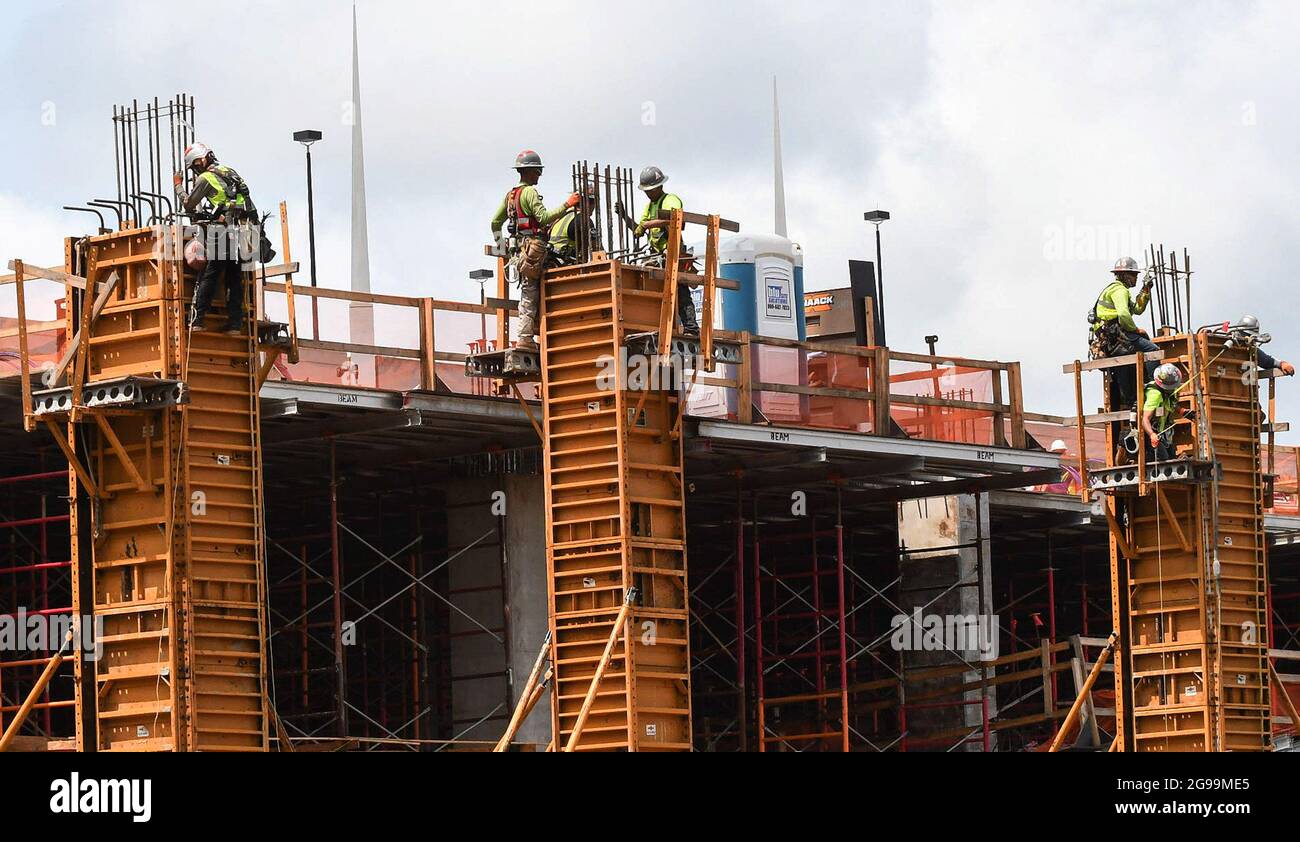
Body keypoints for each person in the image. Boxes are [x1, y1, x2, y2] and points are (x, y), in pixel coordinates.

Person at [489, 150, 578, 350]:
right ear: (529, 171)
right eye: (537, 171)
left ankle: (531, 334)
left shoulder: (511, 196)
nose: (539, 175)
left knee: (530, 289)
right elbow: (544, 218)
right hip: (533, 249)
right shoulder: (529, 193)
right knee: (530, 292)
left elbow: (495, 223)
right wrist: (568, 204)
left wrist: (502, 248)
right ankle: (525, 338)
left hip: (521, 251)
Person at [177, 142, 262, 333]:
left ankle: (197, 320)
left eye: (194, 167)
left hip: (222, 230)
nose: (195, 171)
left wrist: (178, 186)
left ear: (200, 161)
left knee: (211, 273)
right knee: (233, 276)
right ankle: (235, 324)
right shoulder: (229, 171)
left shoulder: (206, 178)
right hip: (243, 229)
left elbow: (188, 205)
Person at [615, 166, 699, 336]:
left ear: (659, 187)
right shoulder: (650, 207)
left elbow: (678, 220)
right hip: (657, 257)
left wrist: (648, 224)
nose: (647, 193)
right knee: (658, 292)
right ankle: (662, 327)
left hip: (673, 253)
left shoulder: (670, 200)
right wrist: (624, 216)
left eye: (650, 190)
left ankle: (691, 328)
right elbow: (639, 229)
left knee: (680, 291)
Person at [1089, 256, 1156, 407]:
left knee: (1128, 366)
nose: (1136, 278)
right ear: (1125, 275)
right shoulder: (1120, 291)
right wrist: (1136, 330)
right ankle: (1155, 388)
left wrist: (1145, 290)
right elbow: (1124, 315)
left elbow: (1137, 310)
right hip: (1116, 335)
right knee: (1152, 350)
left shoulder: (1118, 290)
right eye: (1134, 275)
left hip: (1112, 337)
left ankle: (1133, 398)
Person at [1141, 363, 1187, 463]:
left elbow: (1170, 403)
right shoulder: (1155, 394)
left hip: (1164, 434)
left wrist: (1181, 411)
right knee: (1165, 459)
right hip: (1152, 434)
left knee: (1172, 456)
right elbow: (1145, 419)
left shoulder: (1171, 390)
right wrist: (1152, 434)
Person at [549, 181, 600, 265]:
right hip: (566, 267)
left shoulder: (561, 217)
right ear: (588, 202)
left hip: (551, 264)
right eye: (594, 202)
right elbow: (597, 251)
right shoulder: (584, 220)